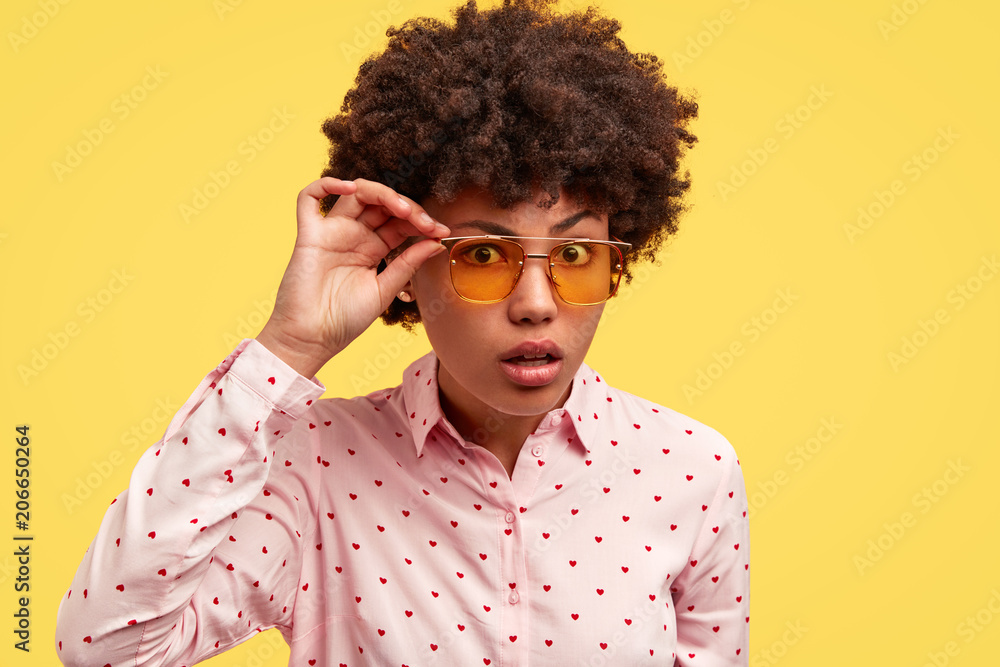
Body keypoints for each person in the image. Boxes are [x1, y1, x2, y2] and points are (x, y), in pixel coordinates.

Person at [56, 0, 750, 664]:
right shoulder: (313, 466)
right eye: (482, 254)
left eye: (574, 255)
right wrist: (291, 345)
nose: (537, 304)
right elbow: (109, 646)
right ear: (406, 266)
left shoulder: (690, 469)